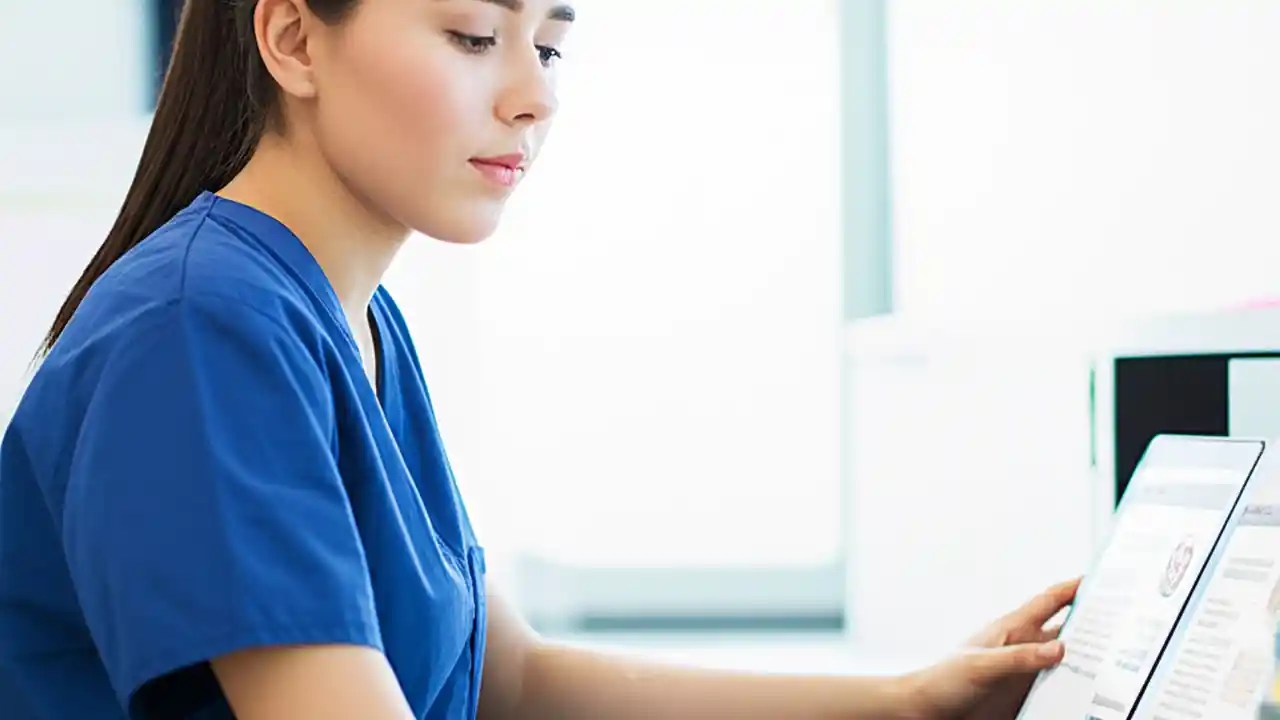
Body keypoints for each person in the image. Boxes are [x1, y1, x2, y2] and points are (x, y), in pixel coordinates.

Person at [0, 1, 1077, 718]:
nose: (534, 95)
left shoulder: (347, 320)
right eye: (474, 35)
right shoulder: (200, 327)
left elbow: (507, 676)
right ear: (291, 39)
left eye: (549, 45)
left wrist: (907, 700)